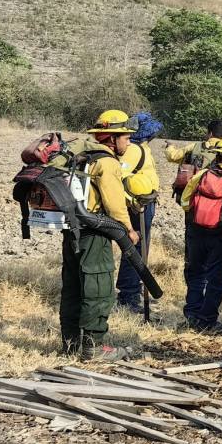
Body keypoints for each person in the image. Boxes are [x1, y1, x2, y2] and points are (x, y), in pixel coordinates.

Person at [59, 110, 139, 360]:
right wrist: (128, 230)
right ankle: (94, 347)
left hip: (71, 230)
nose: (128, 142)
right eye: (126, 137)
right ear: (112, 138)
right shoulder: (107, 162)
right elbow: (114, 205)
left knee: (73, 287)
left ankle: (71, 345)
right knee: (98, 288)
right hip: (94, 233)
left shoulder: (79, 157)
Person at [180, 135, 222, 333]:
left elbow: (185, 202)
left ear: (217, 156)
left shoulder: (201, 175)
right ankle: (207, 319)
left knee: (195, 272)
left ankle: (192, 313)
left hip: (196, 231)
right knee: (217, 277)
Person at [115, 114, 162, 313]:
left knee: (140, 248)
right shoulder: (134, 150)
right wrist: (134, 201)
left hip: (144, 203)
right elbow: (120, 175)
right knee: (135, 249)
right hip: (139, 206)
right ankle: (128, 295)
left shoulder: (139, 147)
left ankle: (133, 291)